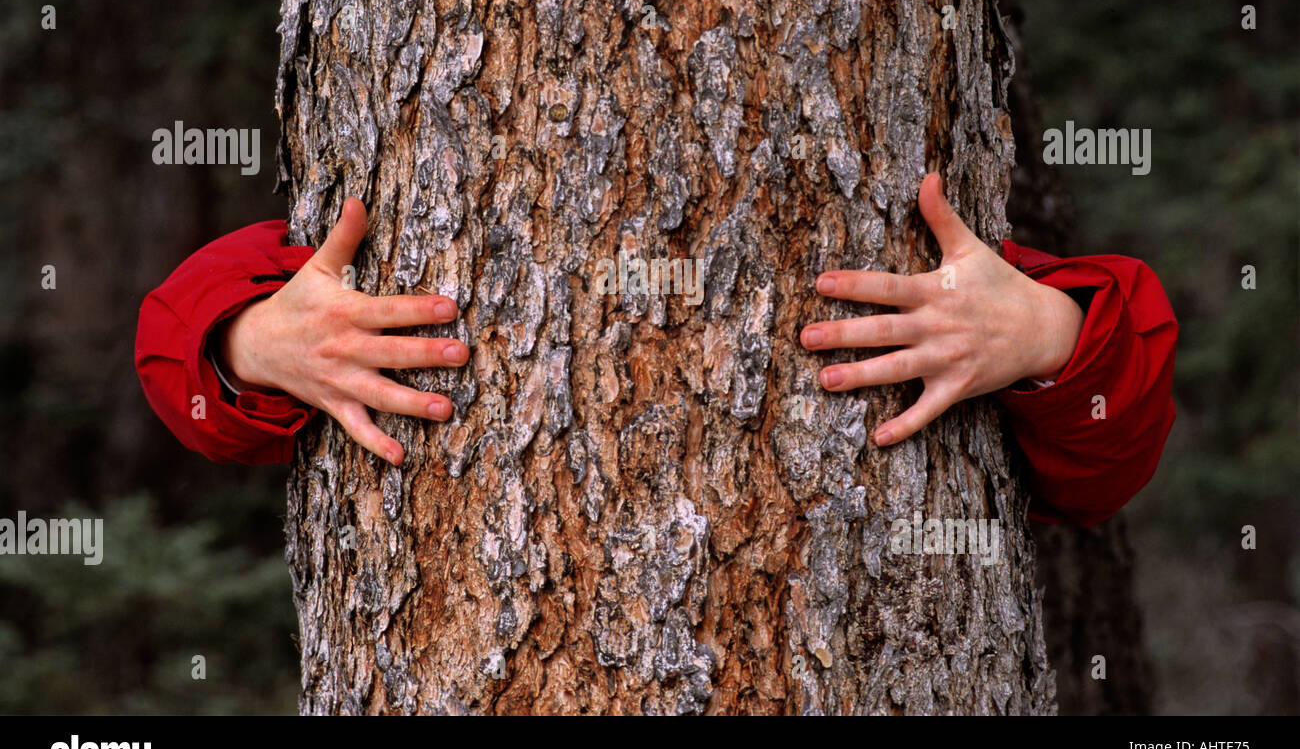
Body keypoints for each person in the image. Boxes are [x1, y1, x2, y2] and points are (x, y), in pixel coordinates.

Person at [135, 173, 1177, 527]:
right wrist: (246, 339)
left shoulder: (960, 268)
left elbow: (1105, 468)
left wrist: (1045, 332)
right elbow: (170, 349)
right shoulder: (340, 255)